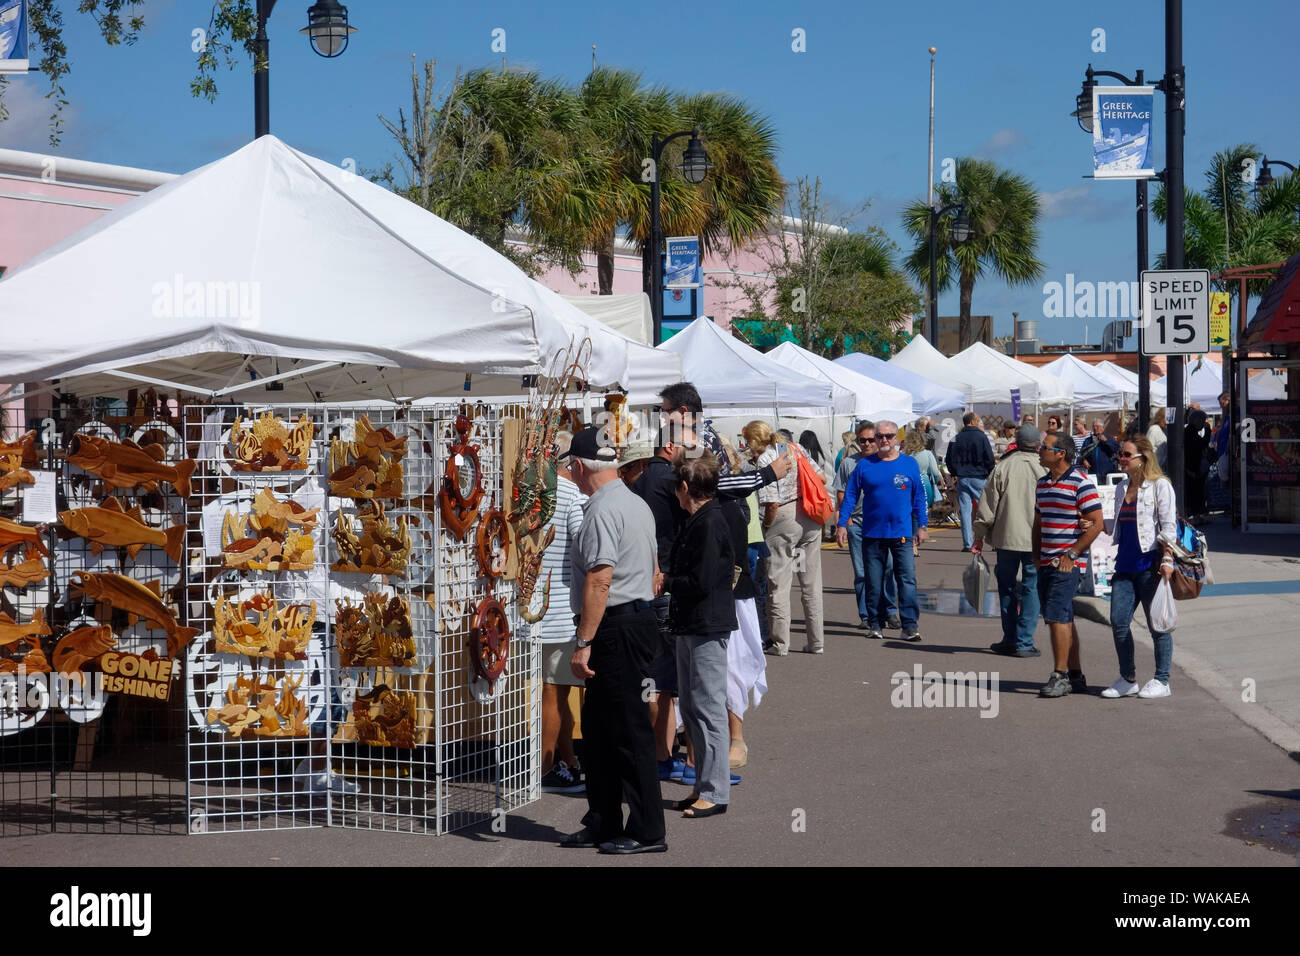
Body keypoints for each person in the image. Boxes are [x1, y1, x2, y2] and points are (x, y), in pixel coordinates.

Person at [559, 427, 666, 855]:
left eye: (572, 466)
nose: (572, 472)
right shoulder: (634, 501)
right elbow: (655, 570)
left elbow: (600, 580)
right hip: (630, 621)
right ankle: (603, 818)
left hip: (616, 626)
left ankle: (647, 830)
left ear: (581, 467)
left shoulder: (603, 509)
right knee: (602, 731)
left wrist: (584, 640)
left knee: (627, 731)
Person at [664, 451, 737, 819]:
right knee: (692, 707)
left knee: (708, 708)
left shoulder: (710, 522)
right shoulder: (701, 518)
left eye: (676, 487)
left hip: (706, 623)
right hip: (692, 622)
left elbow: (703, 580)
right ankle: (703, 786)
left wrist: (666, 582)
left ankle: (715, 790)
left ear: (685, 487)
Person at [631, 426, 695, 781]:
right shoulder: (672, 480)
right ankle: (687, 762)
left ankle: (660, 754)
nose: (693, 449)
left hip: (645, 582)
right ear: (670, 445)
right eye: (688, 443)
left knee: (658, 680)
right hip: (667, 581)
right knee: (678, 680)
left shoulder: (639, 479)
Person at [835, 420, 928, 642]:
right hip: (872, 534)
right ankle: (875, 623)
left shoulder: (909, 464)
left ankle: (909, 625)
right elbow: (850, 496)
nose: (884, 440)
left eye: (889, 436)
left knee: (906, 579)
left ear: (897, 438)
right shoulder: (864, 466)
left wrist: (923, 526)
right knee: (873, 581)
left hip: (902, 534)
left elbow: (919, 497)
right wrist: (841, 524)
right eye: (880, 436)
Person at [1101, 436, 1178, 700]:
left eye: (1126, 455)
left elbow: (1169, 527)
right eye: (1120, 455)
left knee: (1158, 624)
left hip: (1150, 565)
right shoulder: (1122, 487)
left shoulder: (1160, 486)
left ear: (1142, 458)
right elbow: (1119, 524)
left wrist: (1167, 559)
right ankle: (1128, 678)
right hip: (1124, 565)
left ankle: (1162, 680)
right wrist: (1094, 523)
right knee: (1118, 621)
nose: (1121, 459)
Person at [1033, 432, 1104, 699]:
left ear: (1060, 453)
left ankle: (1059, 675)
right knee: (1063, 617)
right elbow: (1038, 523)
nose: (1040, 451)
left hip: (1067, 561)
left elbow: (1097, 523)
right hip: (1047, 560)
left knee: (1056, 617)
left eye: (1044, 447)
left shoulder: (1080, 482)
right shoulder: (1042, 484)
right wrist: (1035, 556)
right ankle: (1075, 675)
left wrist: (1072, 554)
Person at [745, 420, 826, 655]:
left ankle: (781, 643)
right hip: (809, 515)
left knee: (779, 585)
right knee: (811, 584)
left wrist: (767, 526)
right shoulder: (796, 448)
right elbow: (821, 477)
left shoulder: (765, 459)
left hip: (784, 517)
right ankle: (816, 641)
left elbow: (771, 503)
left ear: (753, 441)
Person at [539, 431, 588, 794]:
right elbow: (585, 548)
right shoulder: (571, 494)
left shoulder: (523, 491)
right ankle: (547, 767)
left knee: (552, 692)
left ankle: (566, 760)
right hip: (558, 611)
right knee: (554, 693)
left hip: (528, 610)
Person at [971, 424, 1047, 657]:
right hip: (1037, 539)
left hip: (1006, 538)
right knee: (1031, 588)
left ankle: (1010, 637)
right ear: (1038, 444)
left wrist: (979, 536)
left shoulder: (1003, 467)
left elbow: (987, 506)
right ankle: (1024, 641)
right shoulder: (1045, 468)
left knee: (1006, 587)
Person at [834, 421, 898, 629]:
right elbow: (841, 493)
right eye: (863, 440)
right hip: (859, 524)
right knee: (862, 573)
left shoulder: (887, 461)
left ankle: (889, 611)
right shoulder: (848, 464)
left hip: (883, 524)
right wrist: (845, 521)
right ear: (858, 440)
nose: (868, 444)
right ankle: (866, 615)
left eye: (872, 439)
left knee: (887, 569)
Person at [947, 411, 995, 552]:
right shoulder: (981, 437)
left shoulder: (956, 438)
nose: (979, 422)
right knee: (987, 509)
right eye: (978, 420)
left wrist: (955, 472)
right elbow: (989, 458)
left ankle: (967, 543)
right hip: (979, 476)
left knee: (966, 511)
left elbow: (949, 459)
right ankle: (993, 542)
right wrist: (989, 470)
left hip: (963, 477)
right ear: (973, 421)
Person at [903, 426, 943, 558]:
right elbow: (936, 472)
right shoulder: (927, 453)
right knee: (918, 513)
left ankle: (909, 542)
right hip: (924, 483)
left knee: (907, 514)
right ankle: (914, 543)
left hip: (907, 484)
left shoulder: (903, 454)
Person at [1184, 407, 1213, 522]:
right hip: (1192, 468)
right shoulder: (1190, 432)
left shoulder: (1190, 432)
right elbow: (1201, 445)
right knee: (1195, 493)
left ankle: (1197, 516)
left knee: (1196, 492)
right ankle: (1196, 516)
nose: (1203, 423)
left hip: (1193, 468)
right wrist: (1208, 431)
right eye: (1202, 420)